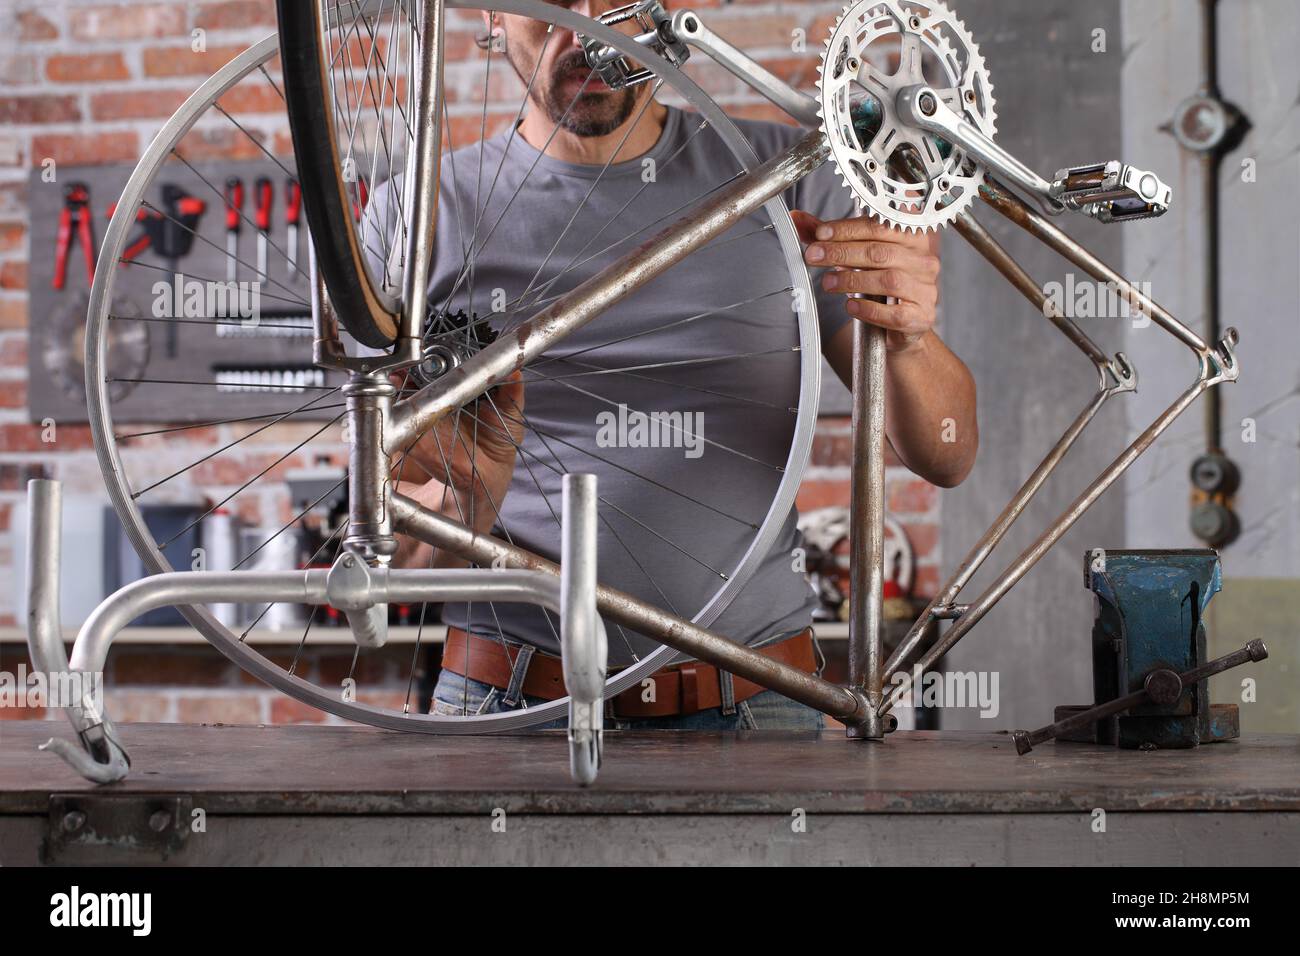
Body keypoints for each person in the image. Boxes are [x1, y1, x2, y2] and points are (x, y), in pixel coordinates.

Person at [386, 3, 978, 729]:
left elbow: (946, 456)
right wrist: (465, 507)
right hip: (506, 706)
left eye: (620, 7)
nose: (584, 36)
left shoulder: (792, 180)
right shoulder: (417, 217)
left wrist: (910, 338)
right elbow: (383, 562)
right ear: (491, 14)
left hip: (762, 705)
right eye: (550, 7)